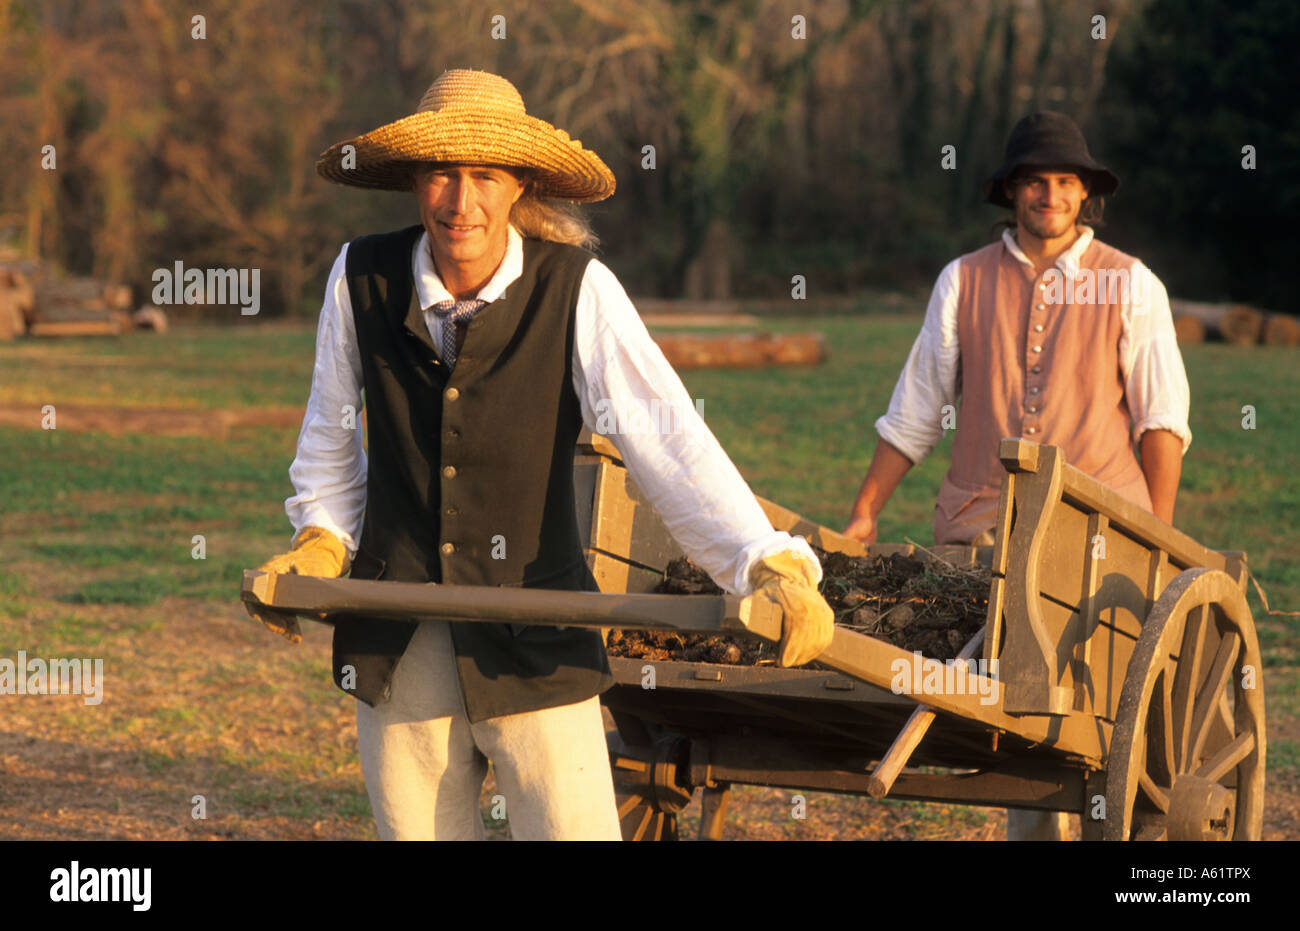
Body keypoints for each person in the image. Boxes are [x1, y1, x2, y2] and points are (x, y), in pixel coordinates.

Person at [244, 69, 833, 841]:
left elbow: (666, 438)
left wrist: (762, 560)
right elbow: (328, 432)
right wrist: (321, 539)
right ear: (416, 183)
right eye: (442, 175)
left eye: (484, 176)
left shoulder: (577, 289)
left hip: (538, 633)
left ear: (520, 184)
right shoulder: (360, 278)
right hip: (400, 631)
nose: (462, 202)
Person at [843, 111, 1191, 839]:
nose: (1051, 195)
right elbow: (914, 412)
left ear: (1085, 193)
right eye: (1036, 181)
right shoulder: (963, 281)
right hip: (980, 536)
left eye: (1066, 181)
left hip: (1098, 548)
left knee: (1085, 723)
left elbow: (1160, 422)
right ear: (1011, 192)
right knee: (1015, 721)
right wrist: (865, 511)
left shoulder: (1131, 284)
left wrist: (1159, 534)